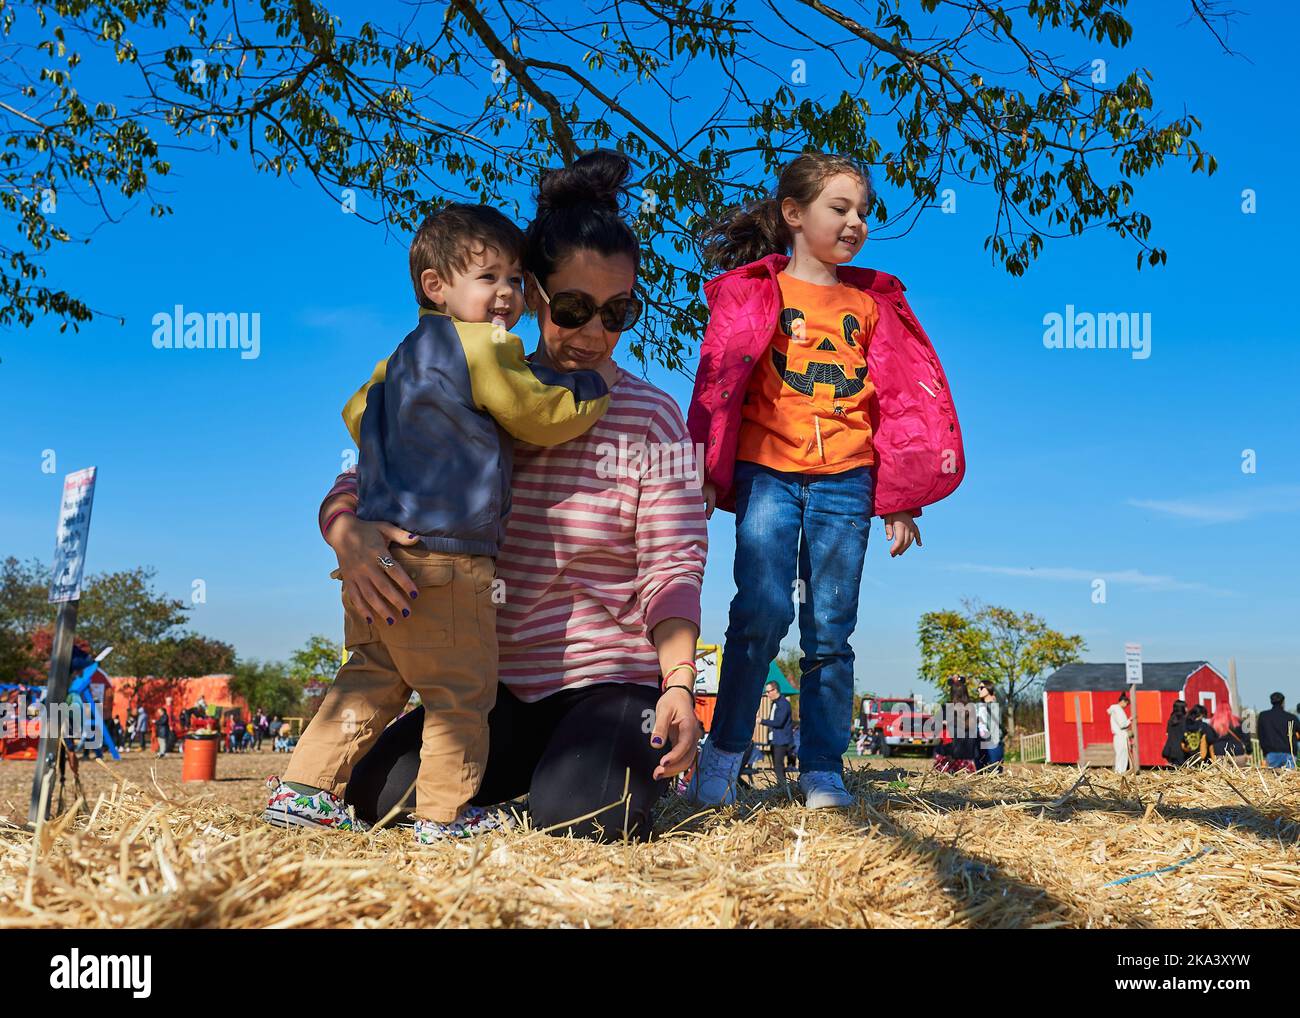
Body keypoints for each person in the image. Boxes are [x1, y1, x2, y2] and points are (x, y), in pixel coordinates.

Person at [273, 151, 707, 844]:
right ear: (531, 295)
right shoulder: (465, 378)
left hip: (606, 682)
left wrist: (680, 684)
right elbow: (367, 473)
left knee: (586, 815)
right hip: (493, 685)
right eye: (572, 308)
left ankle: (560, 777)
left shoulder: (655, 416)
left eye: (619, 311)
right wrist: (345, 532)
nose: (595, 332)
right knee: (377, 796)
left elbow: (673, 564)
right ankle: (503, 789)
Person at [685, 152, 963, 809]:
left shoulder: (871, 303)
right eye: (839, 208)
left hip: (847, 478)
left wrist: (901, 499)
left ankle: (821, 767)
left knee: (830, 627)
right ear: (793, 214)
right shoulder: (753, 292)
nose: (855, 221)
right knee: (761, 611)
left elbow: (896, 402)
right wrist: (702, 467)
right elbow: (715, 383)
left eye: (863, 211)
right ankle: (723, 753)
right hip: (767, 472)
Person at [757, 681, 794, 785]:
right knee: (777, 767)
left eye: (768, 692)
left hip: (781, 741)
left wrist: (761, 720)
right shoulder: (775, 703)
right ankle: (781, 787)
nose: (767, 694)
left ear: (775, 690)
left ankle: (783, 788)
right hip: (776, 740)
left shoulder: (783, 704)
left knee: (778, 767)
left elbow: (779, 722)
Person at [1257, 692, 1299, 769]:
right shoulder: (1292, 717)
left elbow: (1260, 735)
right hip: (1289, 753)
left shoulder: (1263, 716)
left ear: (1271, 702)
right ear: (1283, 702)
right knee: (1289, 778)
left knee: (1272, 778)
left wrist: (1265, 750)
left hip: (1271, 753)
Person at [975, 680, 1003, 772]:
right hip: (979, 743)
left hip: (992, 743)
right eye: (978, 688)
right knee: (980, 774)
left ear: (989, 688)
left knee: (994, 772)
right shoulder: (977, 706)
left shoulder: (996, 705)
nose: (979, 690)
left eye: (981, 688)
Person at [1108, 692, 1132, 774]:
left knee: (1120, 754)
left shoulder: (1115, 709)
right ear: (1122, 701)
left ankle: (1119, 771)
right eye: (1126, 703)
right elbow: (1122, 724)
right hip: (1120, 735)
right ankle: (1120, 772)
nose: (1126, 705)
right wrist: (1130, 720)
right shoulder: (1118, 710)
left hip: (1118, 735)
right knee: (1122, 754)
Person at [1161, 699, 1187, 767]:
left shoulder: (1171, 719)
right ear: (1182, 708)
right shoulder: (1185, 720)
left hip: (1169, 750)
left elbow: (1167, 734)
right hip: (1180, 751)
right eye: (1186, 707)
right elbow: (1185, 735)